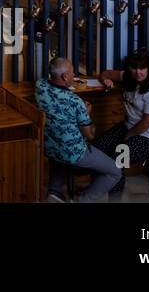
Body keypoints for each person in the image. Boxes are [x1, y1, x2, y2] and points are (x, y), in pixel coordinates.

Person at [35, 57, 121, 202]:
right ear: (65, 76)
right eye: (72, 72)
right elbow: (90, 135)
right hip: (73, 153)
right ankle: (82, 200)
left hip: (50, 147)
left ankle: (55, 192)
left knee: (59, 146)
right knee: (115, 172)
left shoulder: (40, 86)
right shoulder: (76, 102)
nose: (75, 75)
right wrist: (87, 113)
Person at [93, 49, 149, 198]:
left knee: (117, 159)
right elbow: (107, 73)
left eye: (142, 68)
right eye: (134, 68)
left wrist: (127, 135)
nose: (138, 72)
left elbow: (147, 122)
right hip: (129, 127)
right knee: (98, 149)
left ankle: (115, 198)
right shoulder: (128, 78)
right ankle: (94, 190)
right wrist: (106, 80)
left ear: (148, 69)